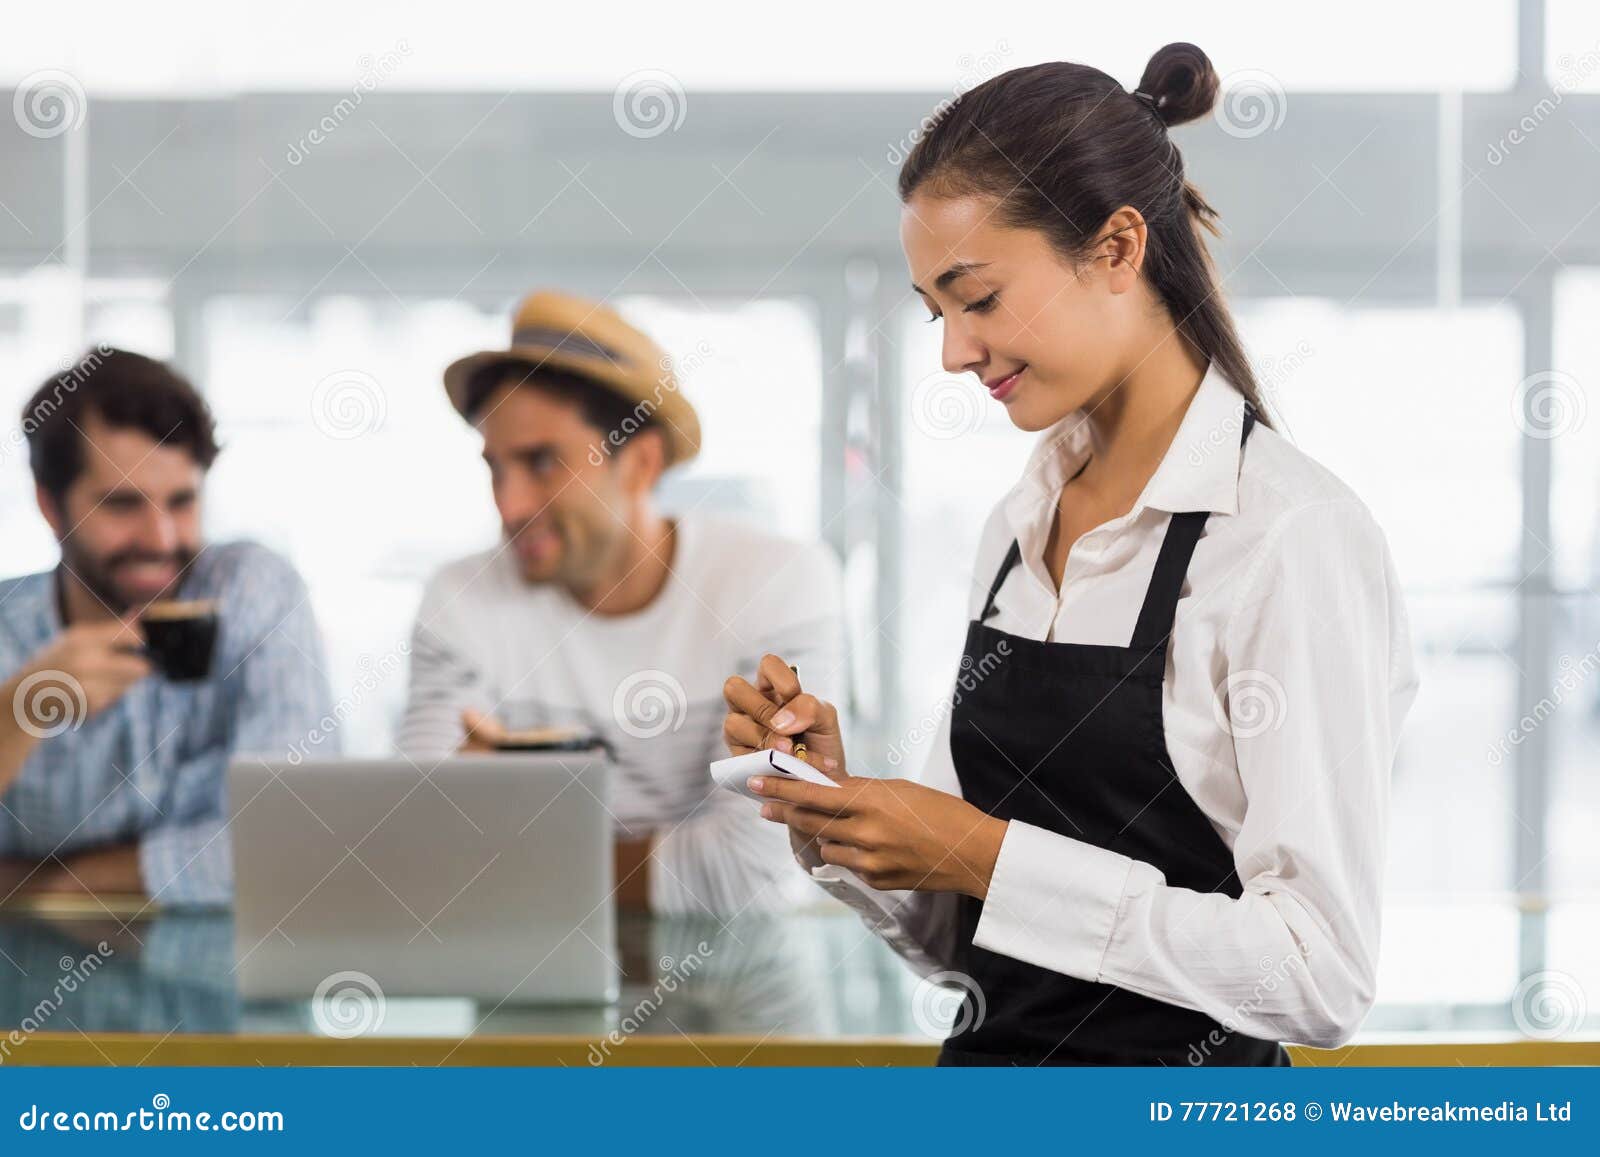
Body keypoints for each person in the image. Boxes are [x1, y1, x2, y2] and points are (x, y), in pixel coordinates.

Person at [721, 44, 1419, 1065]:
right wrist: (844, 811)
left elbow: (1316, 974)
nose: (953, 351)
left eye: (978, 297)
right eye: (936, 311)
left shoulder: (1286, 538)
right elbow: (964, 941)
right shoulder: (1019, 520)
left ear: (1117, 248)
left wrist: (983, 851)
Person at [398, 290, 845, 916]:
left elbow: (749, 871)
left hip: (740, 1006)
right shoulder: (458, 599)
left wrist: (504, 849)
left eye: (540, 463)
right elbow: (421, 854)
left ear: (638, 462)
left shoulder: (779, 580)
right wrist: (463, 847)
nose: (509, 506)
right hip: (525, 997)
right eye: (495, 468)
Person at [0, 348, 336, 908]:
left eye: (182, 501)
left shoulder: (253, 591)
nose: (160, 539)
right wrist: (14, 715)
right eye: (122, 504)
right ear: (50, 506)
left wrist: (26, 886)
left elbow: (292, 844)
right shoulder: (8, 631)